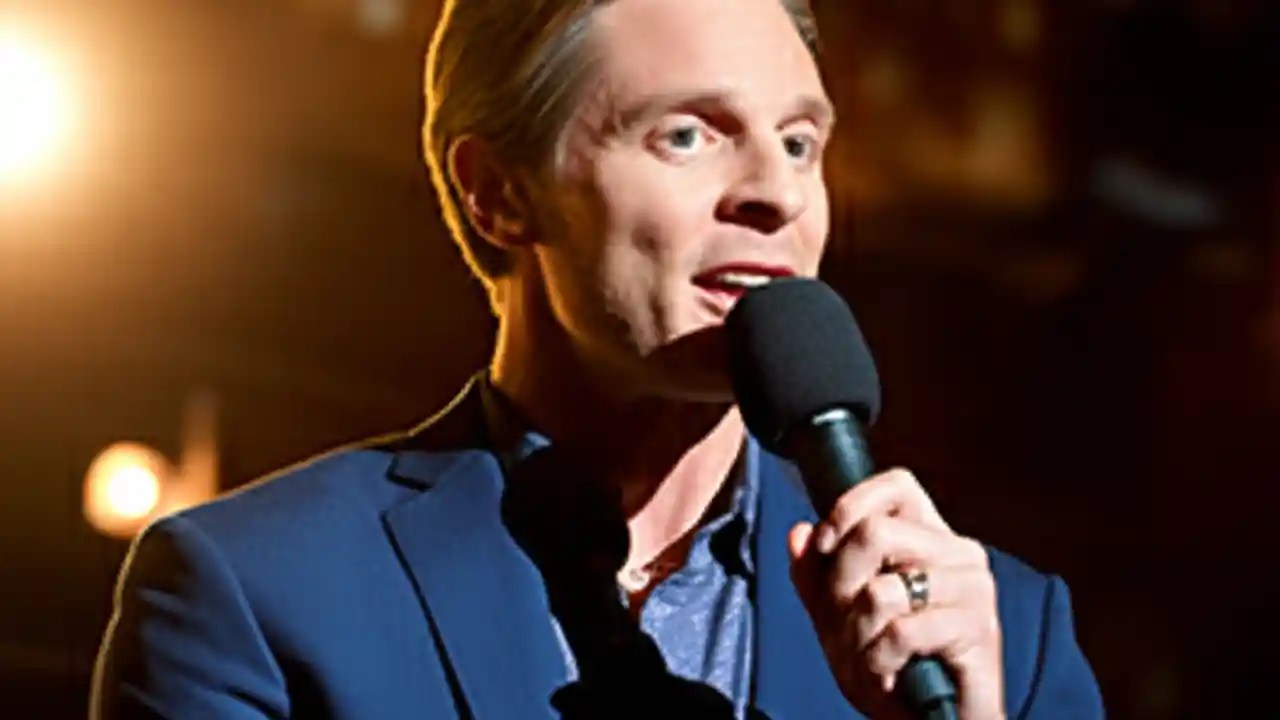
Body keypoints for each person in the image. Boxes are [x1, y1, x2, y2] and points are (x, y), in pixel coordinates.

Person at [91, 0, 1104, 717]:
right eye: (686, 135)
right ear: (498, 192)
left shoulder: (1000, 640)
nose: (777, 193)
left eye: (799, 143)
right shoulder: (255, 593)